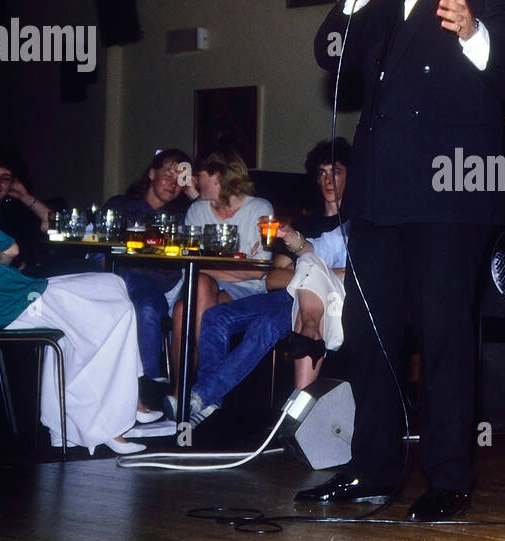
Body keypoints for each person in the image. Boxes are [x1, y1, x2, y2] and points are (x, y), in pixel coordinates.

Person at [303, 0, 505, 521]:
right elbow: (329, 54)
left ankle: (449, 476)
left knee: (442, 336)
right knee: (372, 336)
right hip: (377, 193)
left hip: (450, 189)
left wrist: (472, 32)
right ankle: (372, 470)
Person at [0, 122, 159, 454]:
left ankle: (65, 428)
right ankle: (110, 425)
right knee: (114, 308)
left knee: (110, 285)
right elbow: (10, 251)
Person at [185, 140, 352, 425]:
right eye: (321, 173)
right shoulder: (304, 226)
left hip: (330, 306)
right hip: (287, 295)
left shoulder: (359, 224)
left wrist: (309, 270)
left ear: (349, 175)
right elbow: (273, 277)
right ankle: (208, 400)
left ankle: (202, 396)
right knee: (216, 316)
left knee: (263, 326)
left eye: (334, 172)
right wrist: (319, 271)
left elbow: (359, 275)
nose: (326, 180)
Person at [173, 149, 273, 379]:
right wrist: (240, 266)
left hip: (247, 292)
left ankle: (193, 392)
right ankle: (188, 396)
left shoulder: (259, 209)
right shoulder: (197, 210)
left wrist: (203, 264)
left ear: (218, 177)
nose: (195, 181)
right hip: (203, 287)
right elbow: (186, 263)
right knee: (185, 305)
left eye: (200, 176)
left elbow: (258, 273)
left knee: (186, 306)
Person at [104, 148, 196, 389]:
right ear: (152, 173)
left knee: (148, 305)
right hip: (120, 281)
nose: (173, 183)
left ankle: (151, 387)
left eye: (180, 178)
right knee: (142, 300)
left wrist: (193, 191)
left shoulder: (183, 216)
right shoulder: (121, 205)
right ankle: (147, 384)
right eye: (168, 174)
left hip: (164, 287)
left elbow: (212, 218)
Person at [0, 146, 51, 272]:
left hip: (26, 276)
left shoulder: (14, 210)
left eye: (5, 178)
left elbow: (52, 224)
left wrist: (25, 196)